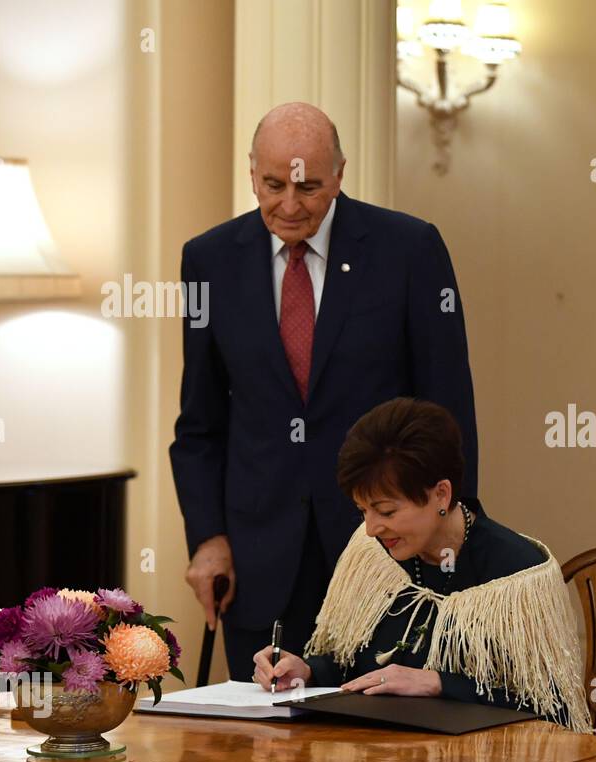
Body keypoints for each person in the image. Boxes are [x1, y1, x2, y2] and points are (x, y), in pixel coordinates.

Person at [169, 102, 478, 685]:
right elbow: (200, 423)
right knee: (263, 758)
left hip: (385, 554)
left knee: (375, 753)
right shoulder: (209, 259)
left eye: (309, 186)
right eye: (273, 185)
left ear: (339, 174)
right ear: (251, 173)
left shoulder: (409, 250)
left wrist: (452, 537)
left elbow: (449, 411)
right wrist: (208, 539)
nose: (290, 204)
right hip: (258, 561)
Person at [254, 398, 592, 762]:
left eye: (386, 511)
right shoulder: (375, 556)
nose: (372, 528)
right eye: (363, 511)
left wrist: (439, 682)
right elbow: (358, 665)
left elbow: (554, 711)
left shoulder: (518, 574)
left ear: (440, 494)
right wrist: (307, 669)